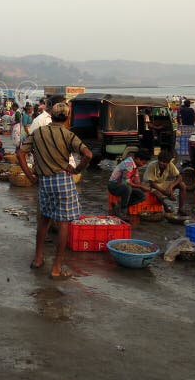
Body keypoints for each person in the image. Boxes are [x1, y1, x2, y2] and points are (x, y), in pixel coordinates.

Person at [18, 102, 92, 279]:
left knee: (44, 221)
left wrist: (29, 176)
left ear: (51, 115)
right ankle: (56, 268)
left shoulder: (38, 133)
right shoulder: (68, 135)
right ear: (67, 117)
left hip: (44, 183)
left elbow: (20, 153)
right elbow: (88, 154)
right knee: (63, 224)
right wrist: (76, 170)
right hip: (63, 182)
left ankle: (38, 259)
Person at [108, 149, 152, 218]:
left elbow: (137, 181)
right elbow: (126, 182)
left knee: (142, 196)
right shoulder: (128, 163)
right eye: (143, 163)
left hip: (123, 186)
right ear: (138, 159)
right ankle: (122, 211)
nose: (143, 165)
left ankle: (118, 206)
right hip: (113, 185)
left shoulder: (135, 166)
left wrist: (143, 187)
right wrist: (141, 186)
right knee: (128, 188)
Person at [143, 150, 187, 215]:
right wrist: (167, 193)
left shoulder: (170, 165)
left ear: (168, 162)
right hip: (149, 185)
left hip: (161, 183)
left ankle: (180, 209)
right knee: (158, 194)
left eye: (164, 162)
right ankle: (166, 207)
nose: (161, 163)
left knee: (182, 185)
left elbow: (179, 177)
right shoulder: (152, 165)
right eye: (160, 161)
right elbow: (152, 183)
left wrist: (171, 187)